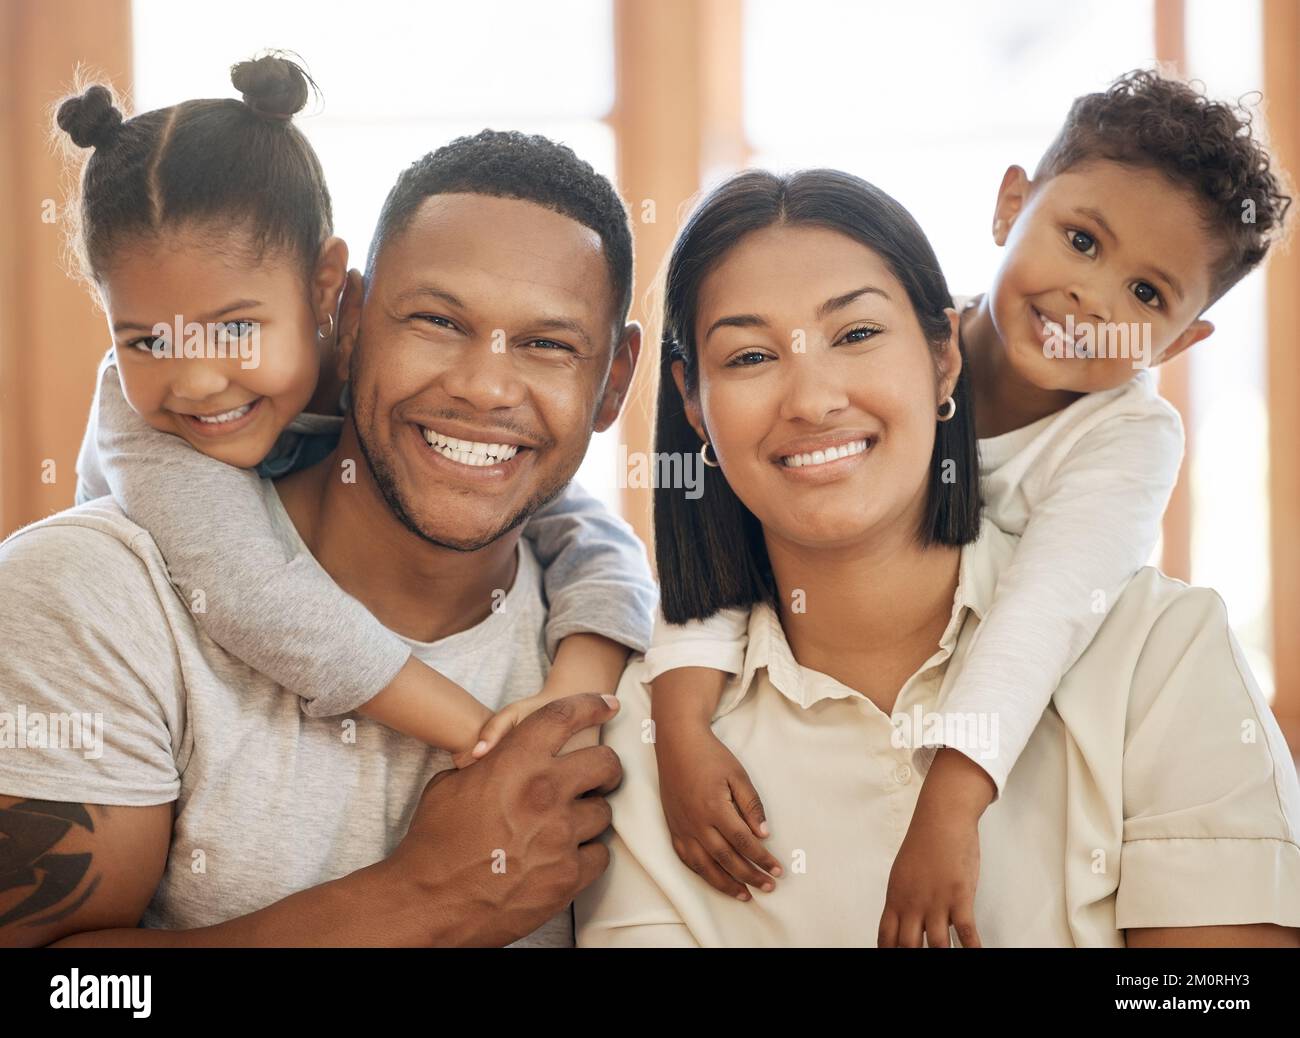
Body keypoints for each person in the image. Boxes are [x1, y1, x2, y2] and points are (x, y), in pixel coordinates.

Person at [636, 70, 1293, 947]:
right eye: (1081, 240)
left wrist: (950, 806)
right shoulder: (893, 347)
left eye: (1147, 295)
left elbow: (1048, 607)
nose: (1090, 300)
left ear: (1179, 342)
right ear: (1010, 203)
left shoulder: (1129, 460)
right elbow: (726, 551)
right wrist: (677, 728)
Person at [0, 126, 644, 947]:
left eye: (548, 344)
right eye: (437, 321)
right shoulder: (88, 594)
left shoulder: (647, 664)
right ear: (348, 316)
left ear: (613, 381)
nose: (484, 387)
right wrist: (421, 901)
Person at [61, 55, 656, 767]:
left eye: (238, 330)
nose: (195, 381)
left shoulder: (362, 367)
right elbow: (260, 601)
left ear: (326, 297)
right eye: (147, 340)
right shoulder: (149, 445)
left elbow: (579, 522)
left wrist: (581, 682)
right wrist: (492, 741)